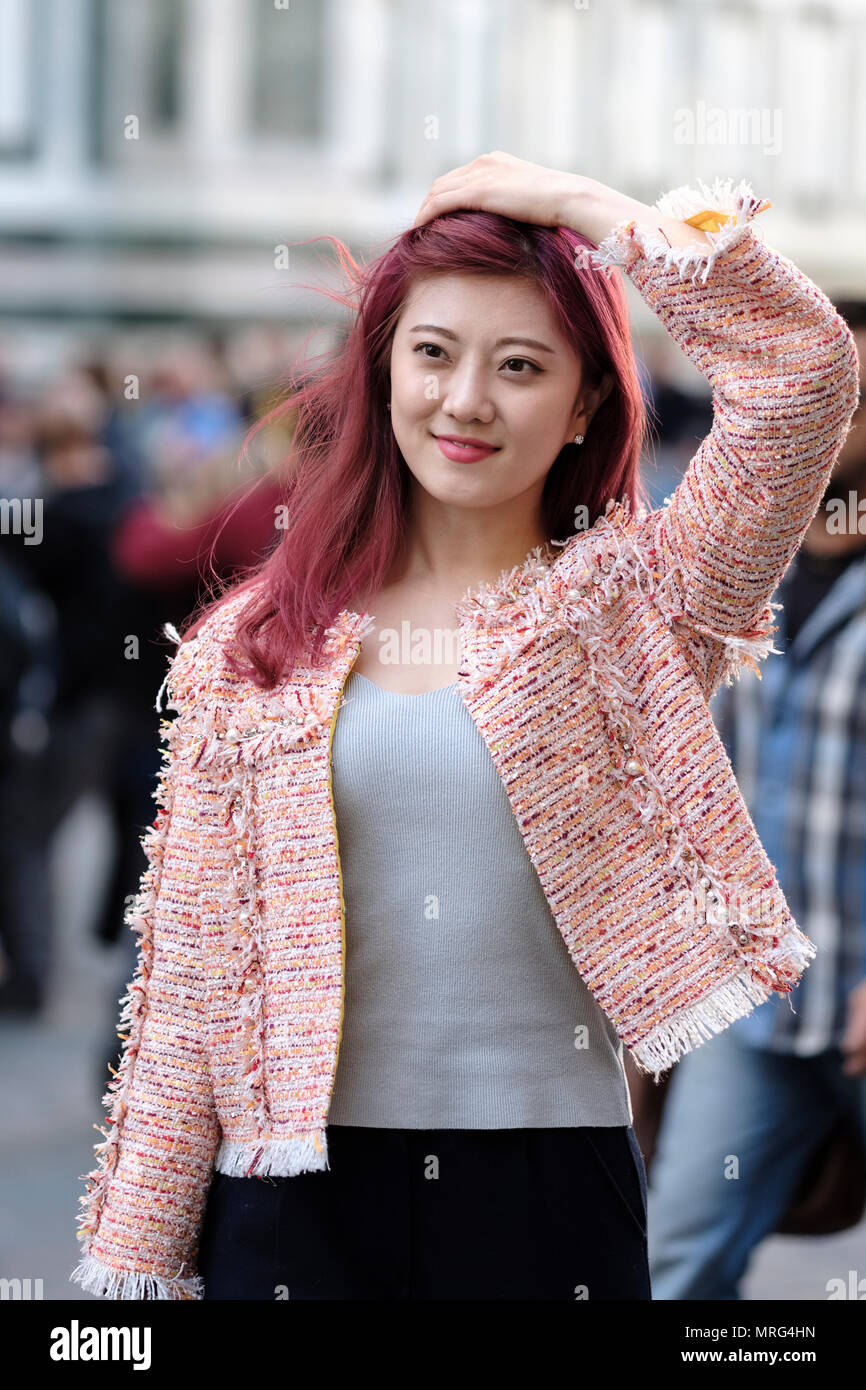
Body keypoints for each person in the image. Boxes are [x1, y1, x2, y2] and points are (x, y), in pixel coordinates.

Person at [69, 152, 859, 1302]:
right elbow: (190, 981)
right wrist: (131, 1269)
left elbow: (800, 373)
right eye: (431, 354)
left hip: (544, 1189)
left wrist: (581, 213)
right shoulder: (254, 646)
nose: (465, 400)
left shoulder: (639, 604)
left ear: (586, 396)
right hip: (288, 1194)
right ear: (383, 367)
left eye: (521, 366)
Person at [647, 299, 866, 1300]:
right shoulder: (726, 567)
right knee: (670, 1263)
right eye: (821, 390)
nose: (837, 413)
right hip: (757, 1007)